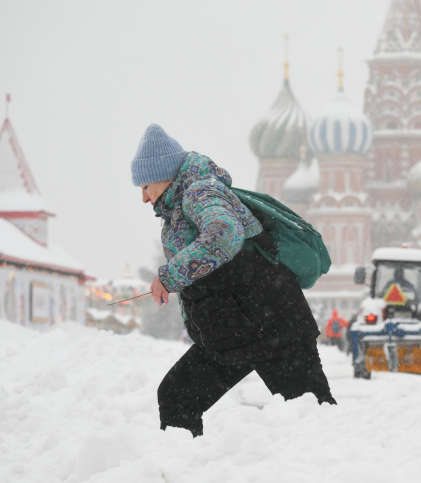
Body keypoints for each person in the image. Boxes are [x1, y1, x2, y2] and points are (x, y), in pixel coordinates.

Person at [133, 124, 336, 437]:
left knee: (311, 415)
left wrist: (170, 276)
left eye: (146, 186)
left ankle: (342, 460)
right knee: (177, 396)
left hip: (274, 325)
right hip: (231, 330)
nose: (144, 198)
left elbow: (225, 234)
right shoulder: (178, 206)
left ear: (164, 174)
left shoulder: (200, 191)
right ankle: (184, 462)